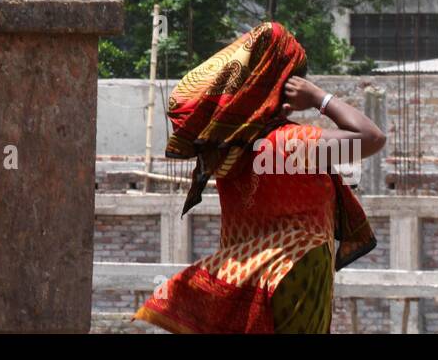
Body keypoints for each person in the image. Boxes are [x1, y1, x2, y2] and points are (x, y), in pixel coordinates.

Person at [134, 22, 385, 334]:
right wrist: (320, 98)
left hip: (244, 278)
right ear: (283, 84)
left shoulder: (226, 148)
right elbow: (371, 137)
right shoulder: (292, 143)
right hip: (296, 272)